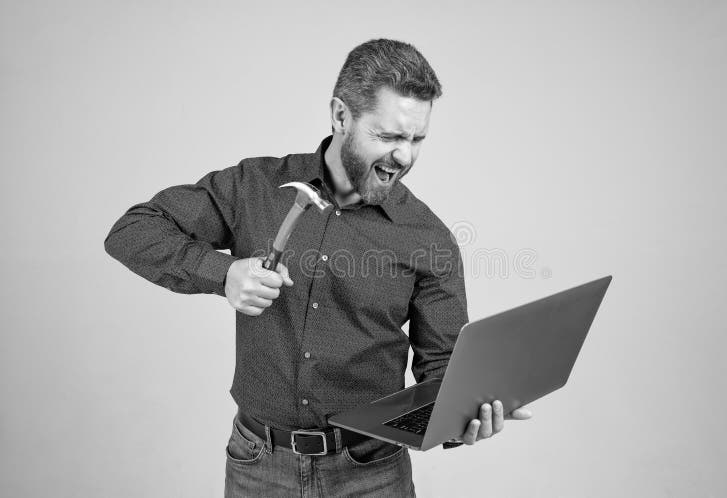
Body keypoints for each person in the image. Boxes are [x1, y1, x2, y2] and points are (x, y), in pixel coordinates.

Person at [104, 38, 533, 497]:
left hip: (373, 474)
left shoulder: (429, 238)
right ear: (341, 116)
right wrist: (222, 274)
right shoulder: (255, 187)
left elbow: (443, 369)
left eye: (416, 139)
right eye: (388, 137)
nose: (404, 157)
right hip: (257, 466)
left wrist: (462, 415)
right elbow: (132, 231)